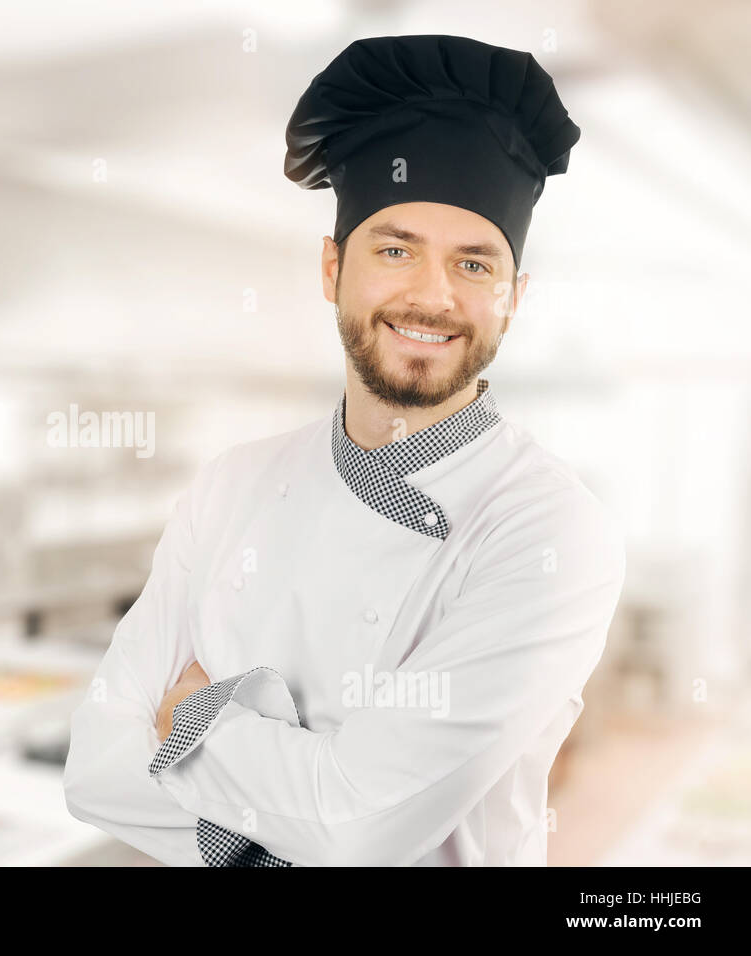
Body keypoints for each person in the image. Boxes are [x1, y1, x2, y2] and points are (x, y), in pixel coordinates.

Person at [62, 34, 625, 866]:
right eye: (395, 249)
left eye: (474, 263)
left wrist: (189, 721)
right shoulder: (231, 485)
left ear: (514, 300)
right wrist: (299, 789)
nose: (432, 296)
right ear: (333, 268)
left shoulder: (551, 533)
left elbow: (357, 825)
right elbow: (94, 771)